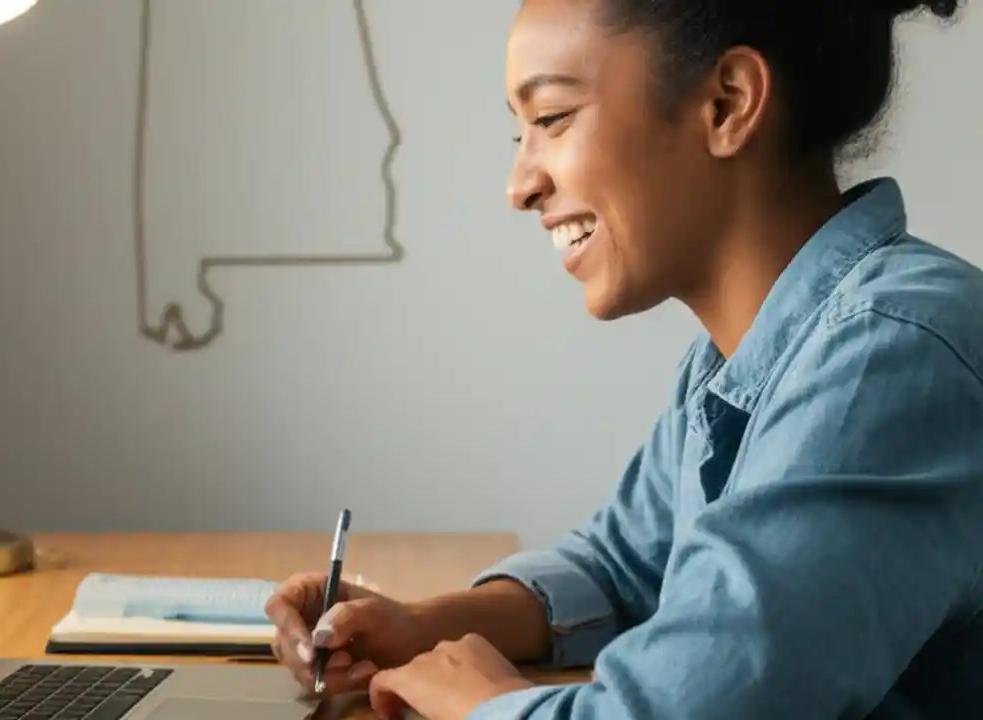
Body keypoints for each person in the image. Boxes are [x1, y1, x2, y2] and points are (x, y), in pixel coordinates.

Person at [264, 0, 983, 717]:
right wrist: (425, 625)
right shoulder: (744, 363)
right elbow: (619, 568)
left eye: (549, 120)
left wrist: (482, 704)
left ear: (727, 103)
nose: (520, 186)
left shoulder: (888, 358)